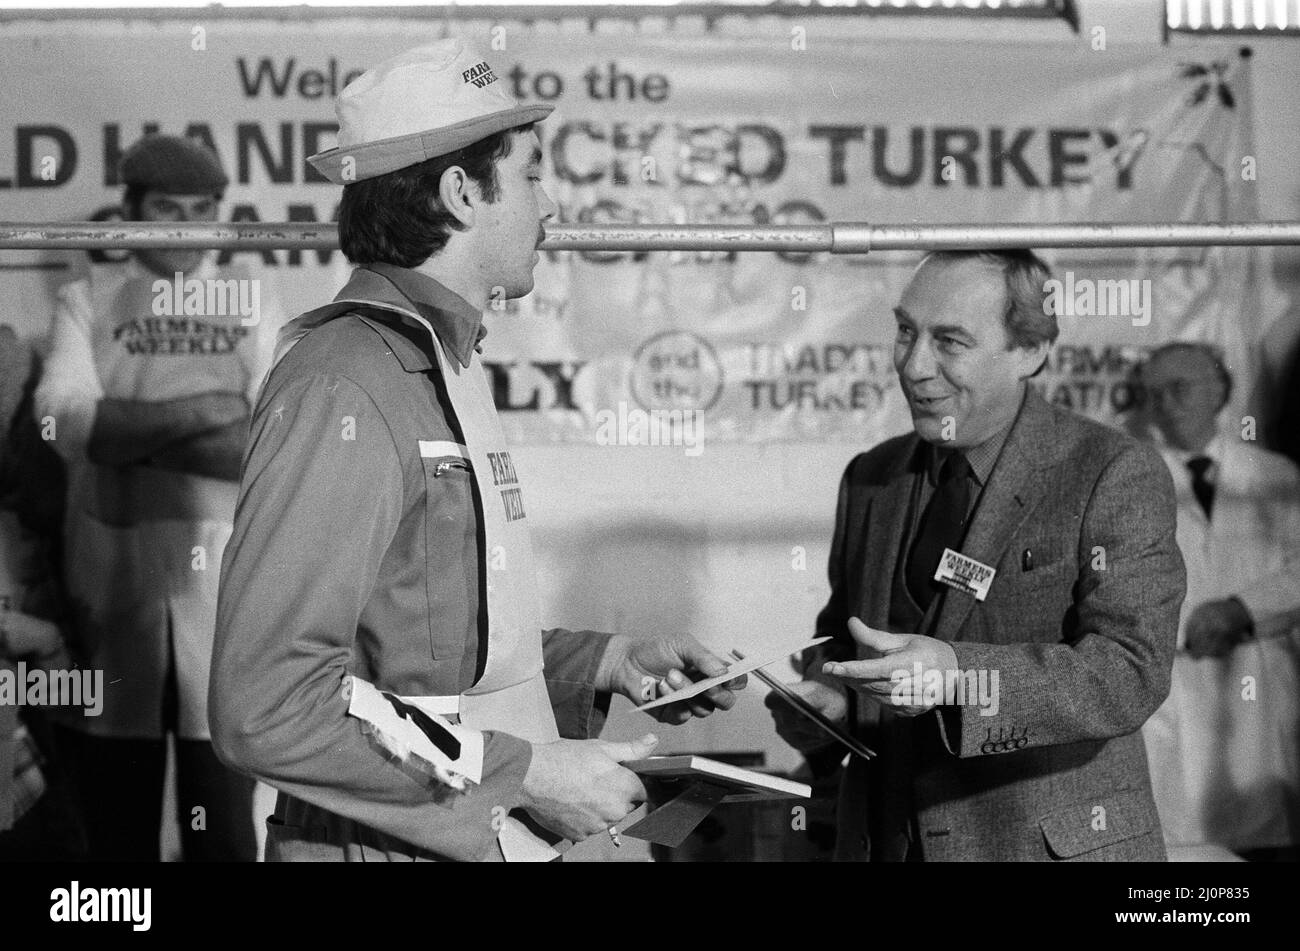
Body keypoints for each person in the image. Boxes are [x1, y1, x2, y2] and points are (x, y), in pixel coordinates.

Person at [209, 40, 744, 863]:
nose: (551, 203)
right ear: (461, 193)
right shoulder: (345, 385)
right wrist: (523, 776)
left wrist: (609, 661)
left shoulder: (438, 357)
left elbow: (437, 654)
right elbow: (269, 703)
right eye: (532, 173)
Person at [766, 249, 1184, 861]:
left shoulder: (1111, 472)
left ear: (1030, 351)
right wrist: (832, 705)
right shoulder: (871, 478)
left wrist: (961, 675)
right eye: (905, 332)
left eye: (950, 341)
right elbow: (841, 639)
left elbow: (1128, 674)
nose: (914, 366)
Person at [33, 134, 274, 861]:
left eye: (201, 211)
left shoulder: (254, 295)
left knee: (227, 834)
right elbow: (71, 422)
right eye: (167, 209)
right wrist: (214, 407)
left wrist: (135, 431)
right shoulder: (87, 298)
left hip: (227, 598)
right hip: (113, 593)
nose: (185, 226)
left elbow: (266, 441)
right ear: (131, 209)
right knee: (114, 836)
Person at [1136, 342, 1300, 859]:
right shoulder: (1134, 481)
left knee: (1265, 838)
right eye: (1153, 394)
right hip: (1176, 686)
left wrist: (1243, 609)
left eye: (1179, 388)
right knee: (1188, 854)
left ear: (1220, 392)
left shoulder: (1277, 477)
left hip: (1258, 680)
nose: (1166, 405)